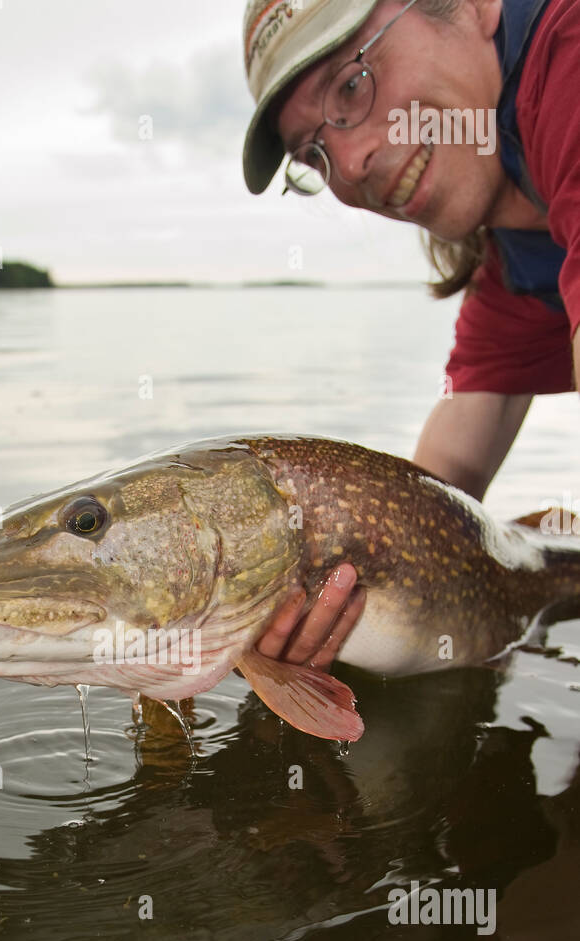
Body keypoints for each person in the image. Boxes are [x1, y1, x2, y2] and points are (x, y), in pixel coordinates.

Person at [241, 0, 579, 670]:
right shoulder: (515, 275)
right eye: (312, 151)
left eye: (352, 84)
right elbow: (431, 496)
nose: (352, 162)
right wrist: (316, 594)